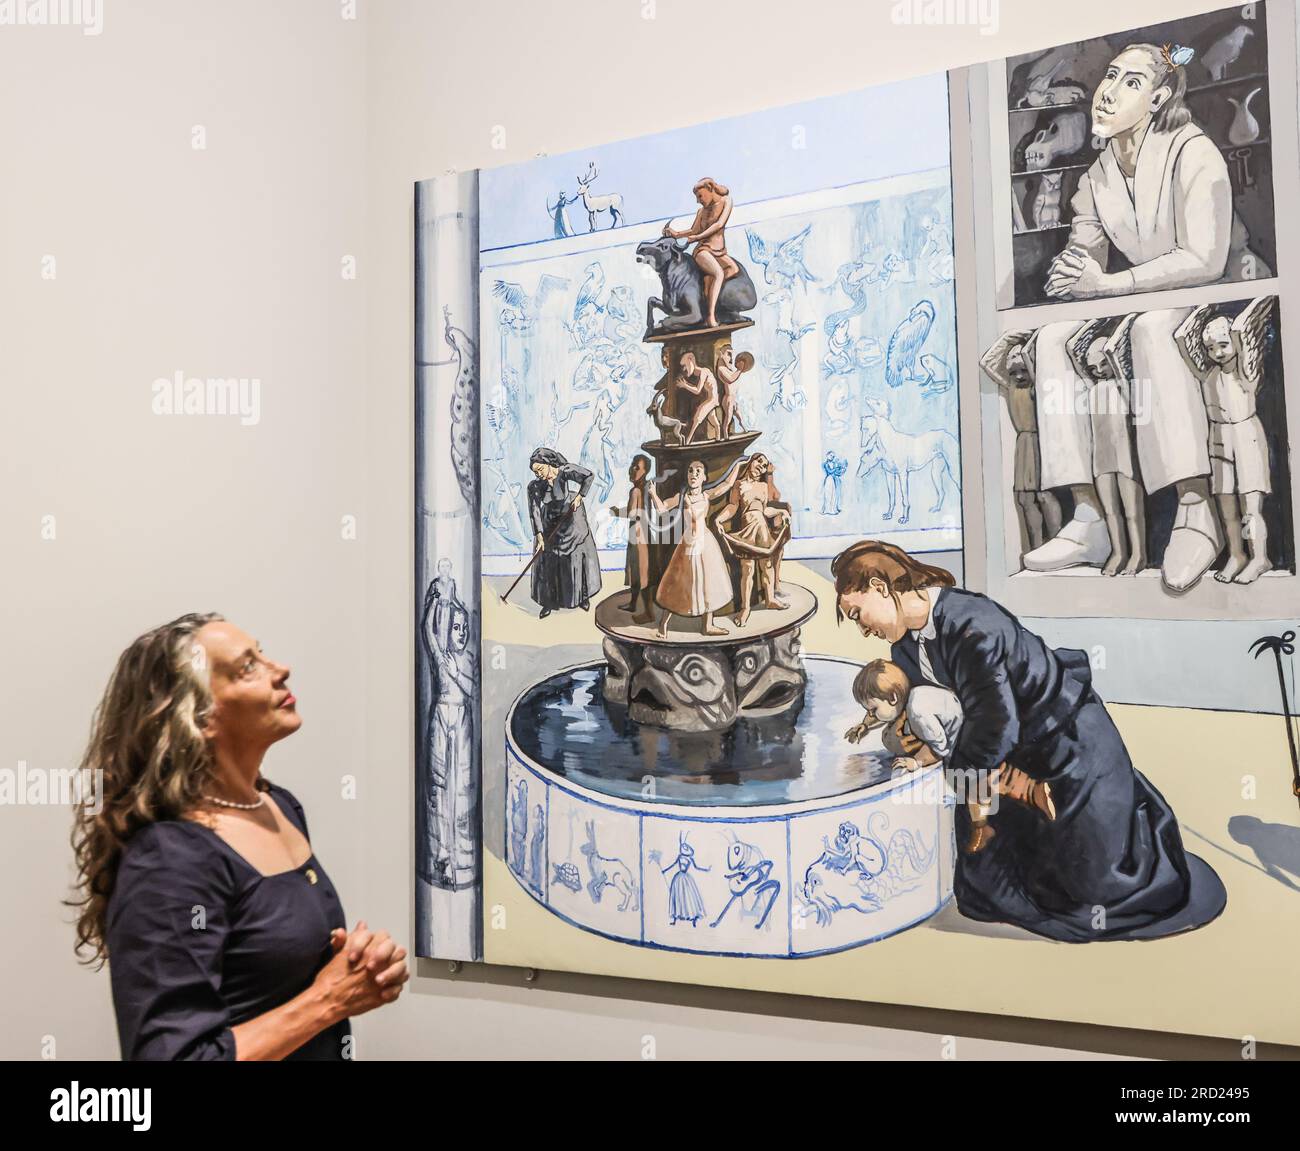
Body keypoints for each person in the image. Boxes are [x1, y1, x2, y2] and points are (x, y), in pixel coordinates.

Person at [831, 540, 1227, 942]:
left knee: (1095, 887)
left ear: (880, 587)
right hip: (1003, 760)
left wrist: (962, 774)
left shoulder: (973, 622)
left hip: (1066, 743)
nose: (863, 628)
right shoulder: (903, 649)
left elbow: (994, 720)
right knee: (980, 888)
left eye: (857, 613)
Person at [69, 614, 409, 1060]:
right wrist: (328, 1000)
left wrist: (356, 969)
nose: (279, 669)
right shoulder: (169, 858)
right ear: (200, 716)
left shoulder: (277, 806)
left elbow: (273, 973)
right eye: (247, 667)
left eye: (261, 653)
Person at [1034, 43, 1269, 591]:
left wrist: (1109, 283)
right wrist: (1073, 273)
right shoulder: (1096, 175)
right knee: (1051, 338)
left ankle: (1196, 510)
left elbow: (1204, 260)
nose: (1109, 91)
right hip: (1143, 293)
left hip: (1219, 294)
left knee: (1151, 328)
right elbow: (1087, 248)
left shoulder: (1195, 152)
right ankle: (1088, 515)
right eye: (1109, 76)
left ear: (1160, 97)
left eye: (1131, 82)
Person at [845, 658, 1056, 854]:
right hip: (961, 726)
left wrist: (916, 762)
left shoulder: (919, 713)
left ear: (892, 697)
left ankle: (998, 817)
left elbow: (940, 748)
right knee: (987, 778)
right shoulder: (907, 698)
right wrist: (865, 725)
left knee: (973, 782)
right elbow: (886, 714)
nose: (871, 715)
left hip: (966, 738)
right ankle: (1020, 796)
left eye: (872, 709)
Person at [648, 459, 735, 637]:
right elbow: (662, 509)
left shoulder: (706, 495)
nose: (693, 474)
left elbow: (727, 483)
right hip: (688, 542)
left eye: (698, 471)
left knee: (708, 583)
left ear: (704, 477)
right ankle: (663, 624)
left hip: (706, 543)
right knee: (679, 583)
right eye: (690, 471)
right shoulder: (682, 497)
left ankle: (708, 625)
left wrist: (739, 464)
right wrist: (652, 493)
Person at [527, 447, 602, 617]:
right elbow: (534, 511)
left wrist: (579, 497)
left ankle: (582, 597)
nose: (537, 474)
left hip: (572, 518)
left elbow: (589, 476)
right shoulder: (535, 486)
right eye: (535, 472)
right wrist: (539, 535)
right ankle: (548, 602)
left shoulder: (565, 471)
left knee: (574, 557)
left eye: (539, 469)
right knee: (548, 559)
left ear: (548, 464)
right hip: (550, 522)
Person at [662, 177, 738, 329]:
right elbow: (694, 230)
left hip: (719, 251)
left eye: (700, 196)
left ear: (710, 189)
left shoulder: (726, 201)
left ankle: (708, 291)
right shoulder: (701, 212)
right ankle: (710, 317)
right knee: (719, 274)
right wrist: (676, 234)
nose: (698, 201)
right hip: (703, 250)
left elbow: (719, 224)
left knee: (733, 269)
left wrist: (697, 237)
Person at [608, 454, 654, 623]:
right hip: (640, 534)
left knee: (641, 574)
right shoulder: (645, 488)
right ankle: (634, 604)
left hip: (638, 537)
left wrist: (616, 512)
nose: (633, 469)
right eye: (633, 465)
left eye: (637, 467)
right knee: (637, 572)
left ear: (645, 471)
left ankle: (648, 612)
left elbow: (631, 514)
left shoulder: (635, 491)